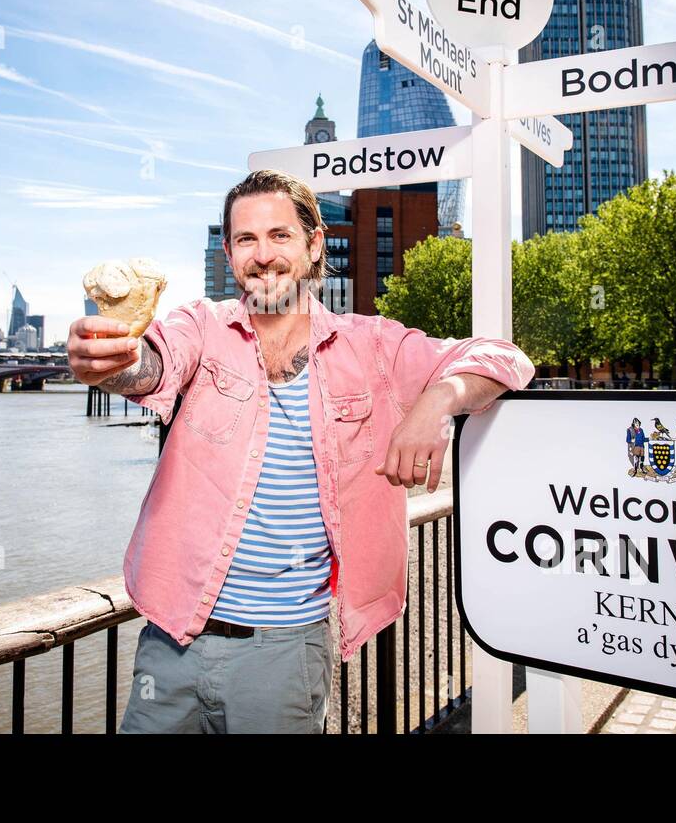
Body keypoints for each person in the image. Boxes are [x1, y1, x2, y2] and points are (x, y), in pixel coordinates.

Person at [66, 169, 536, 733]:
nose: (262, 255)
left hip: (286, 653)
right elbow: (151, 367)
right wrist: (113, 363)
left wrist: (435, 405)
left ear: (314, 245)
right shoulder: (203, 326)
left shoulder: (373, 346)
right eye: (246, 239)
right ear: (229, 252)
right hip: (169, 640)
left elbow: (506, 359)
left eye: (279, 235)